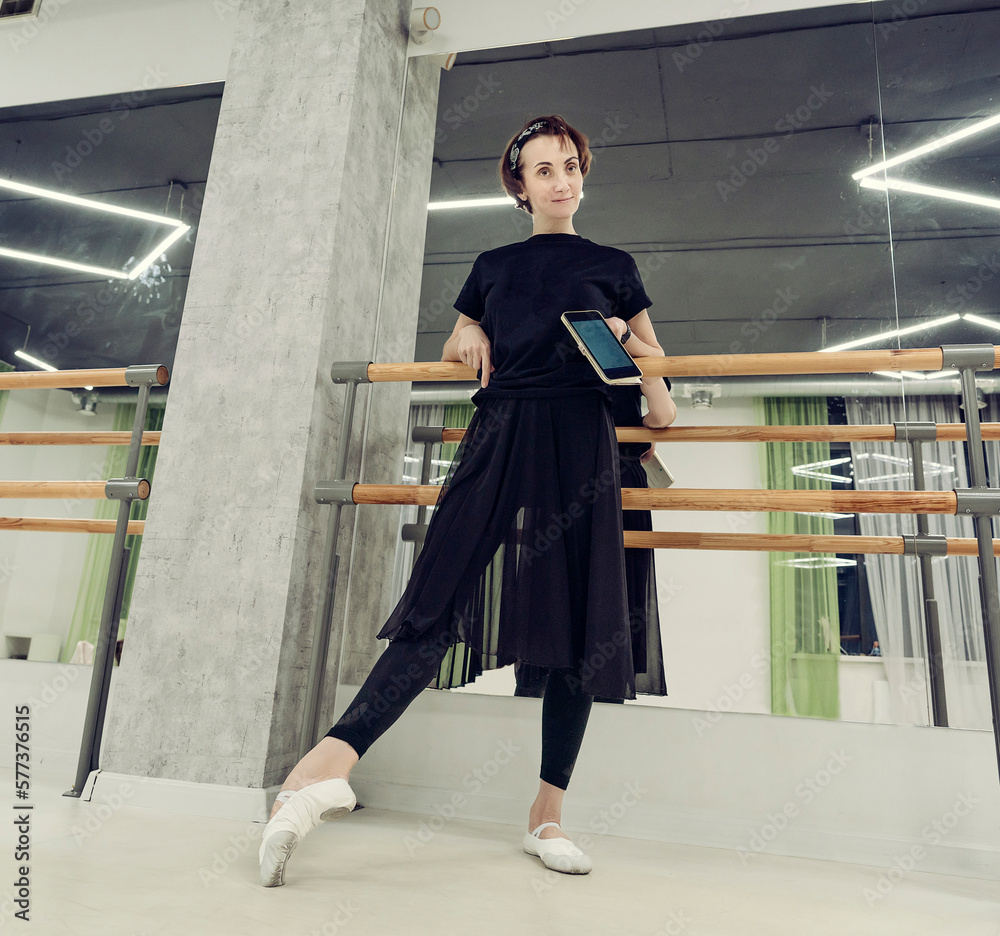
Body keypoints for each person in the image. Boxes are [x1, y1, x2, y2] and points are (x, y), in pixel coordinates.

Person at [258, 114, 676, 888]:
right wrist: (461, 342)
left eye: (572, 166)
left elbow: (662, 412)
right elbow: (461, 335)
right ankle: (318, 772)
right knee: (433, 605)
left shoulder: (615, 266)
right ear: (520, 186)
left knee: (581, 631)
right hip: (501, 435)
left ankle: (546, 815)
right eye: (545, 169)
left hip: (584, 449)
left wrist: (631, 345)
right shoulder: (492, 265)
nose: (563, 180)